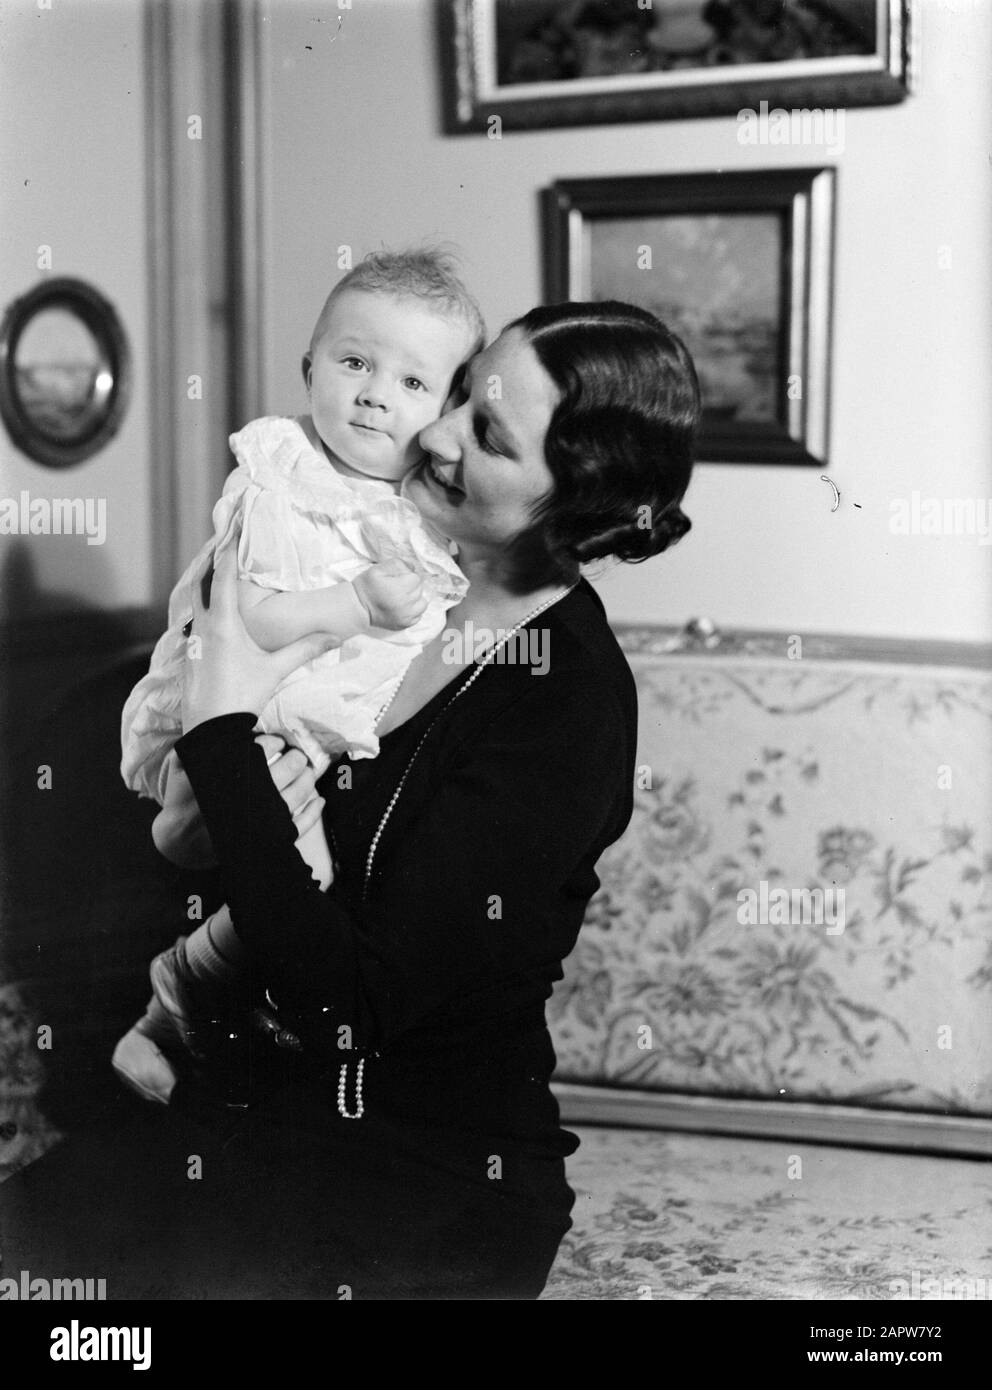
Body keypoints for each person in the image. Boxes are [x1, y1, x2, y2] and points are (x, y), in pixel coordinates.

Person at [0, 300, 700, 1300]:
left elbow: (345, 1004)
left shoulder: (565, 703)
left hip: (424, 1182)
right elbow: (209, 838)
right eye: (462, 389)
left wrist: (220, 735)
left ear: (571, 509)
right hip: (245, 1120)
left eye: (489, 434)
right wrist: (202, 787)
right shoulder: (380, 567)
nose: (439, 431)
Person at [114, 249, 482, 1105]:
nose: (374, 395)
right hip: (256, 713)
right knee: (299, 887)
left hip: (315, 738)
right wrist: (357, 603)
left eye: (413, 383)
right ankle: (181, 1003)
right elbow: (248, 623)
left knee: (326, 896)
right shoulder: (286, 481)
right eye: (354, 362)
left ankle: (184, 1017)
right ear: (308, 365)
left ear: (445, 409)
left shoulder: (409, 507)